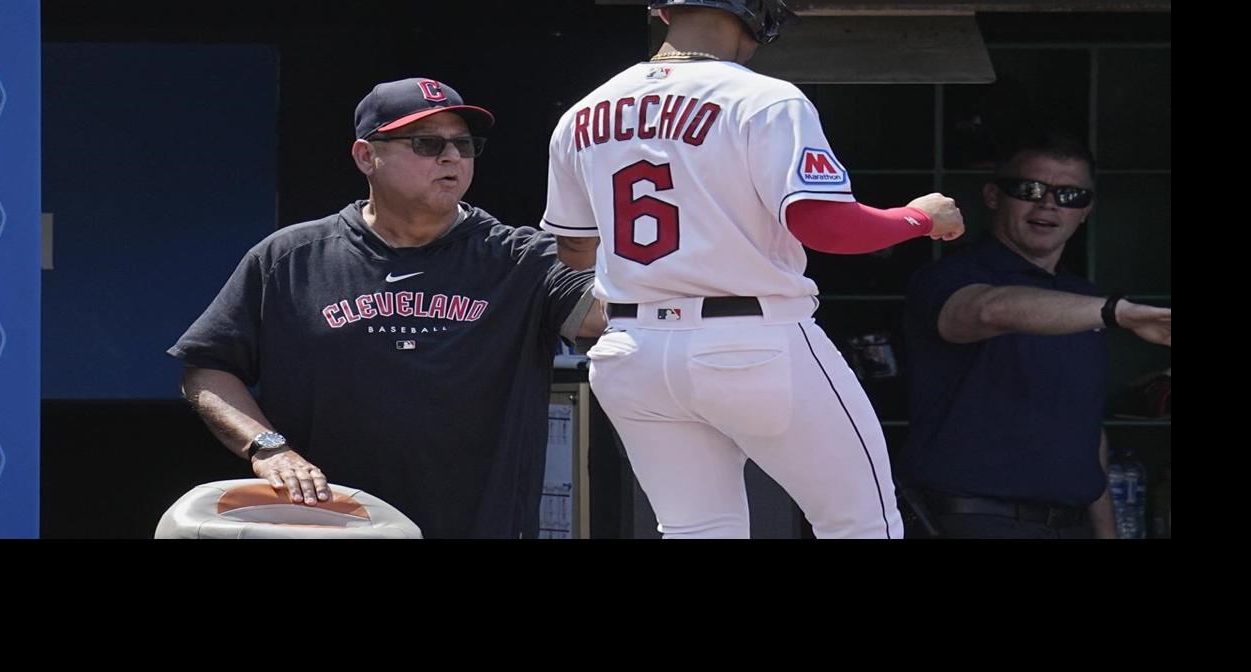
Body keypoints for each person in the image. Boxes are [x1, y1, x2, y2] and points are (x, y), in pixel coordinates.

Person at [540, 1, 964, 539]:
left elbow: (574, 251)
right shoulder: (766, 98)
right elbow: (828, 227)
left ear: (666, 12)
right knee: (860, 524)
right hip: (753, 341)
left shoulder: (582, 112)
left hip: (633, 351)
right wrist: (919, 218)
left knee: (697, 530)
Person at [169, 77, 603, 539]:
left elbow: (603, 315)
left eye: (465, 144)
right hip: (328, 526)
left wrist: (598, 235)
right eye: (426, 143)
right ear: (365, 156)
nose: (451, 156)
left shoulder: (521, 258)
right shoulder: (289, 258)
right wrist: (270, 449)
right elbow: (208, 369)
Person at [899, 130, 1172, 539]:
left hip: (1071, 523)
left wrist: (1107, 534)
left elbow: (1084, 428)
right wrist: (1117, 313)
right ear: (993, 196)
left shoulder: (1085, 298)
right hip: (973, 520)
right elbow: (989, 310)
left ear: (1087, 210)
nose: (1048, 204)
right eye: (1030, 189)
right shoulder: (949, 277)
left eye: (1070, 195)